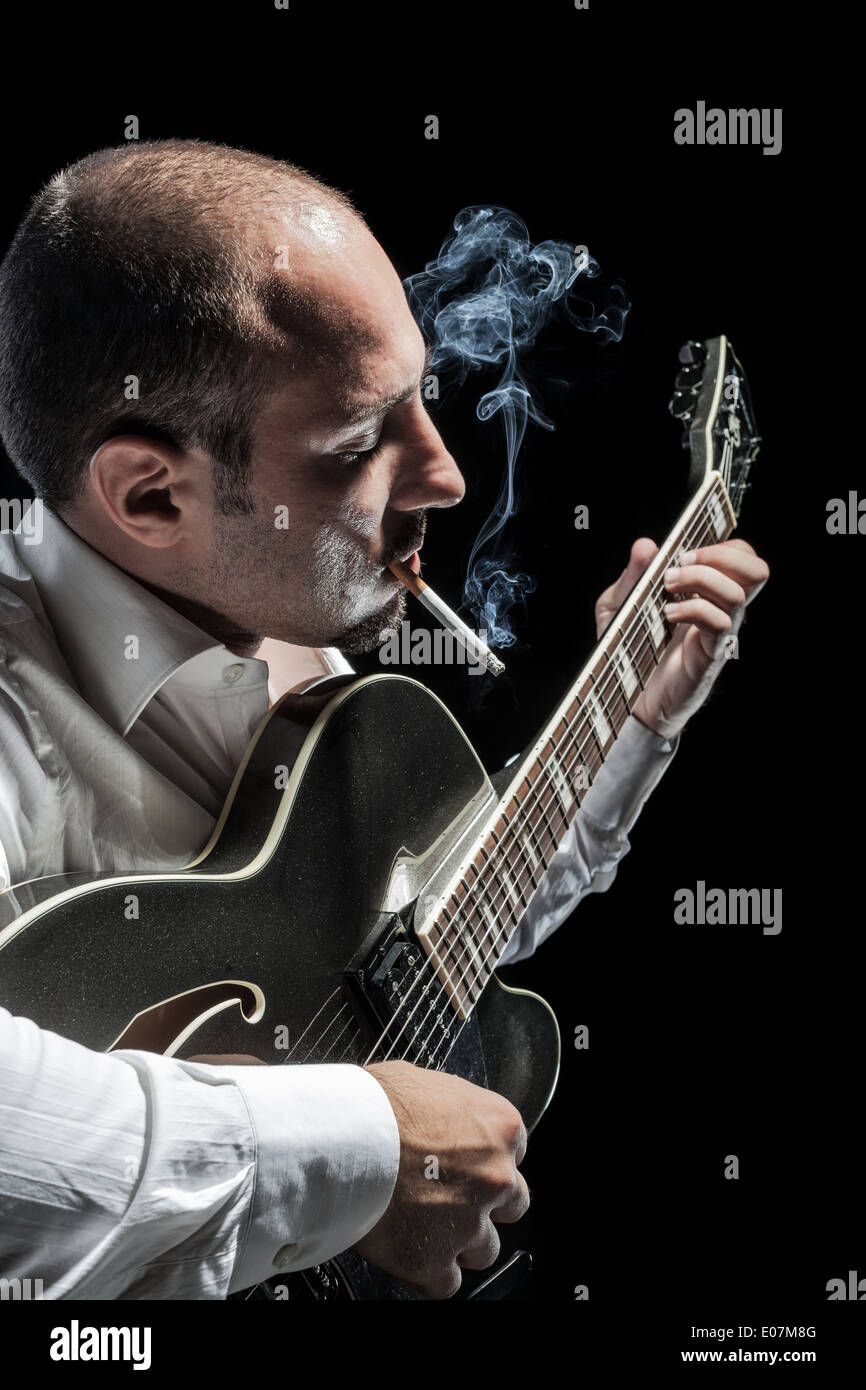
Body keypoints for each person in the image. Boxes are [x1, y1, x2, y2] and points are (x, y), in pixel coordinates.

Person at [0, 140, 769, 1300]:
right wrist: (355, 1151)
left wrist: (632, 727)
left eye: (427, 397)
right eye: (359, 444)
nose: (446, 476)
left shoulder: (272, 615)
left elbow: (414, 946)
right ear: (152, 494)